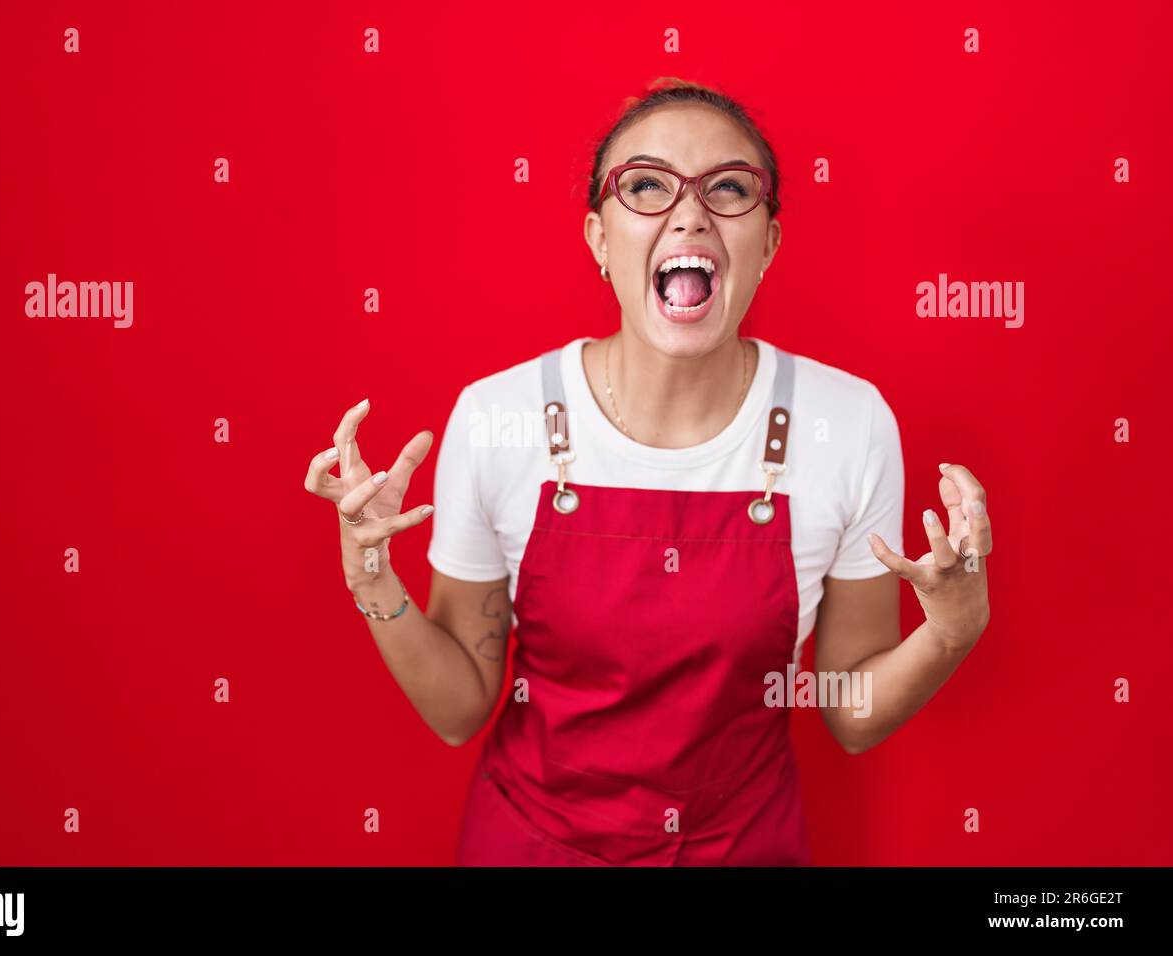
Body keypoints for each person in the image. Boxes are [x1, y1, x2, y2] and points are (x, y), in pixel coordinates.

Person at [303, 78, 993, 866]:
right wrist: (371, 575)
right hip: (533, 847)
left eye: (730, 188)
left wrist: (952, 629)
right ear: (599, 238)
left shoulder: (849, 423)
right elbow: (460, 708)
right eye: (647, 185)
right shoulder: (501, 417)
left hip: (744, 849)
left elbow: (850, 708)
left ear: (768, 243)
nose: (690, 212)